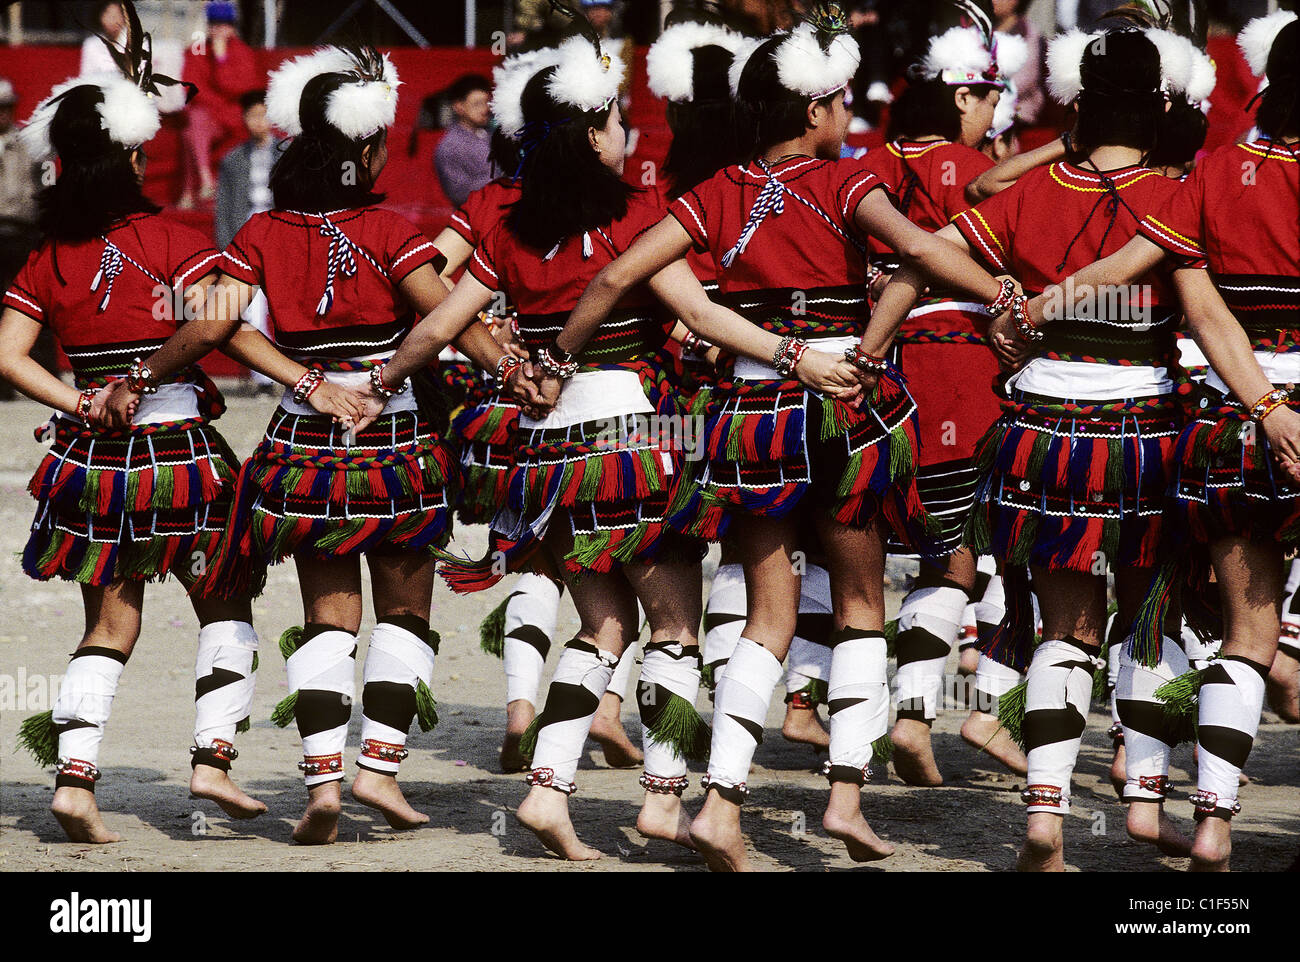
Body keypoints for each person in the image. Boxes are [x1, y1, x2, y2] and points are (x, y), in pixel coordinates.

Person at [548, 7, 1016, 870]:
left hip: (750, 416)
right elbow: (918, 247)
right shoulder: (845, 184)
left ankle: (720, 804)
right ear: (814, 112)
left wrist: (550, 358)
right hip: (841, 407)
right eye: (840, 103)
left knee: (765, 614)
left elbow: (618, 274)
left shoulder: (714, 191)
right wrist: (1006, 294)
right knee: (860, 604)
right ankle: (844, 799)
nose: (848, 117)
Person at [106, 45, 528, 845]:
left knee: (327, 617)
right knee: (405, 614)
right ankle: (379, 770)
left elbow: (213, 323)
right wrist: (518, 370)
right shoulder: (387, 227)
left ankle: (324, 784)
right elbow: (451, 322)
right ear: (366, 148)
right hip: (392, 434)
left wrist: (283, 380)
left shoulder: (263, 229)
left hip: (303, 446)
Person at [363, 16, 711, 862]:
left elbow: (440, 313)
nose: (627, 135)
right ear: (594, 131)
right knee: (674, 629)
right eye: (618, 122)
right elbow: (700, 318)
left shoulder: (510, 223)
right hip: (637, 433)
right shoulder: (641, 214)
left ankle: (549, 792)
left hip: (548, 448)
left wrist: (374, 385)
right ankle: (663, 800)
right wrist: (789, 353)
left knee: (601, 629)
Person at [871, 26, 1198, 871]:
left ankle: (1044, 821)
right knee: (1148, 617)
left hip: (1038, 421)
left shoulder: (1031, 189)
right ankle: (1143, 803)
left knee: (1064, 625)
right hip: (1145, 426)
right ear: (1160, 106)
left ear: (1079, 105)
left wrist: (1000, 304)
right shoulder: (1179, 191)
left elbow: (928, 252)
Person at [1013, 10, 1299, 871]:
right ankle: (1189, 813)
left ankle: (1203, 819)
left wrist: (1038, 307)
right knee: (1200, 626)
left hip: (1229, 416)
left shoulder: (1211, 174)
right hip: (1195, 418)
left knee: (1240, 630)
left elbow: (1150, 272)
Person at [2, 9, 267, 844]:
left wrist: (84, 399)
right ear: (127, 153)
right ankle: (211, 762)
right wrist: (147, 375)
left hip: (91, 460)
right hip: (179, 449)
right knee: (225, 606)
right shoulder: (166, 235)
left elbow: (9, 356)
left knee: (107, 627)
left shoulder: (48, 256)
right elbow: (222, 315)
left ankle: (76, 785)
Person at [431, 48, 645, 773]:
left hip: (512, 405)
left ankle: (525, 708)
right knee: (608, 563)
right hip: (585, 398)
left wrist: (498, 354)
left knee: (536, 558)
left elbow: (425, 279)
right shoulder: (607, 206)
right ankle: (602, 711)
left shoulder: (492, 204)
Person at [857, 16, 1024, 785]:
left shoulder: (862, 165)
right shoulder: (971, 166)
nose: (998, 114)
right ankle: (985, 706)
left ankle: (914, 714)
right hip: (966, 369)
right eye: (992, 97)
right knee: (1009, 553)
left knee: (943, 554)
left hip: (889, 379)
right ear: (963, 94)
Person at [178, 1, 259, 209]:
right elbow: (192, 88)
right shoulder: (196, 51)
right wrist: (217, 106)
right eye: (215, 25)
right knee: (195, 121)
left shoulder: (242, 52)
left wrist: (221, 59)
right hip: (209, 117)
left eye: (225, 25)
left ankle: (189, 192)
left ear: (232, 27)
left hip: (234, 117)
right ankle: (206, 180)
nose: (219, 30)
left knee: (191, 131)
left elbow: (243, 88)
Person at [0, 77, 45, 400]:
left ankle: (40, 378)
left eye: (7, 108)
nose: (3, 114)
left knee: (31, 305)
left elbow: (45, 187)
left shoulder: (30, 144)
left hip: (23, 231)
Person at [434, 75, 493, 209]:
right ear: (459, 106)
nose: (485, 109)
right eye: (477, 104)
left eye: (487, 103)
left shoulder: (489, 134)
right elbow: (460, 194)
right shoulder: (450, 146)